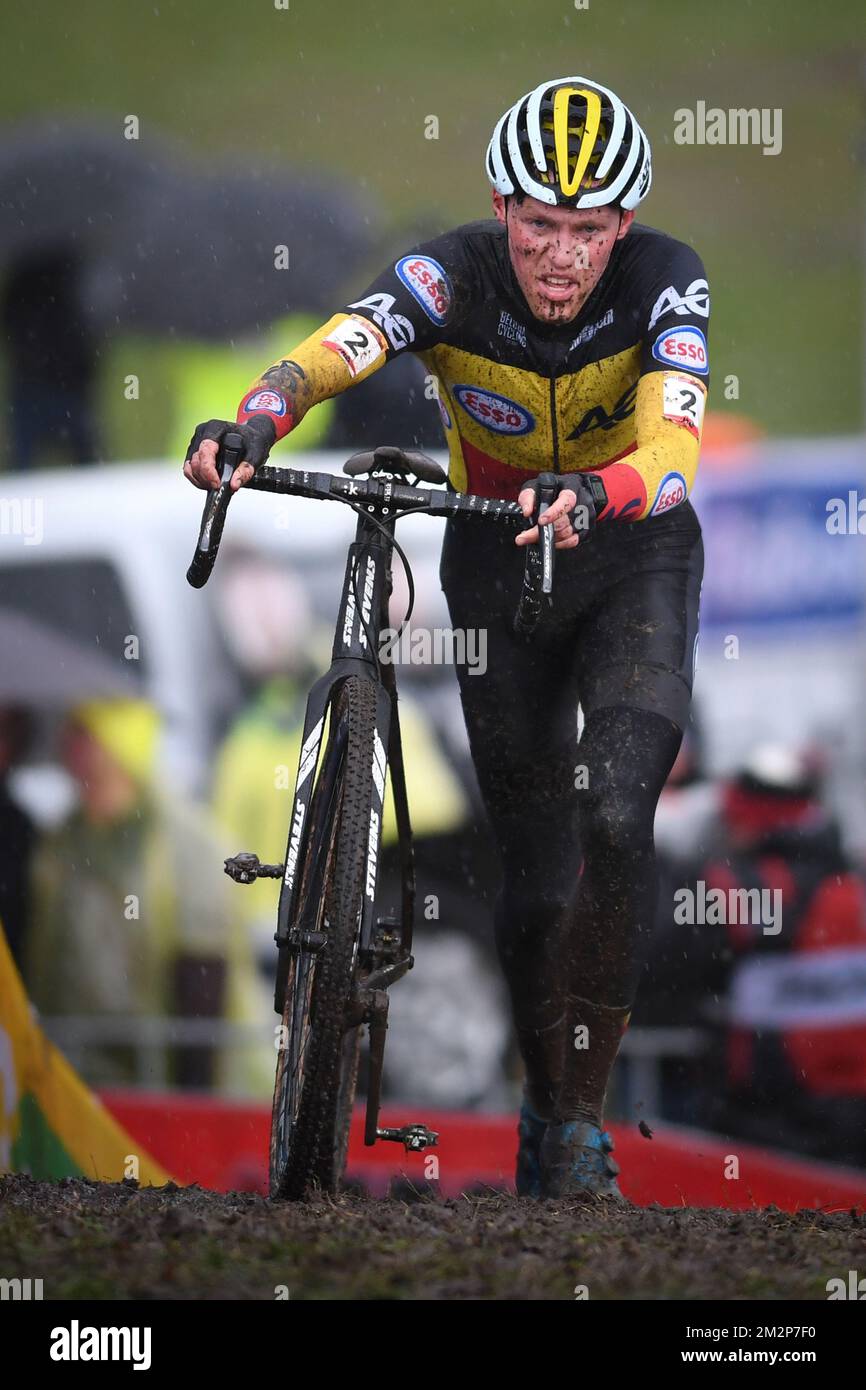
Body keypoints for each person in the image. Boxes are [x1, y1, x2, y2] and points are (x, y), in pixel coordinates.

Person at [183, 76, 710, 1200]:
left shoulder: (666, 279)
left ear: (620, 227)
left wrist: (596, 487)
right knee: (528, 881)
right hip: (492, 546)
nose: (559, 256)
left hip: (631, 552)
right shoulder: (449, 273)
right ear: (498, 209)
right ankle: (536, 1100)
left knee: (614, 816)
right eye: (536, 224)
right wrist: (256, 415)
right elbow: (345, 341)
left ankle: (574, 1121)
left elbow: (674, 446)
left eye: (584, 230)